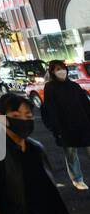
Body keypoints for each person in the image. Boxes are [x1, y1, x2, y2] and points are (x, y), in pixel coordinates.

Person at [40, 59, 90, 191]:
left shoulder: (74, 86)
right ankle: (77, 179)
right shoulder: (50, 88)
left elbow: (85, 105)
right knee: (71, 154)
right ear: (52, 72)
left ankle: (77, 179)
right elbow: (50, 109)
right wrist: (56, 129)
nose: (61, 71)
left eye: (62, 68)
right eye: (57, 69)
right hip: (65, 128)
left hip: (83, 125)